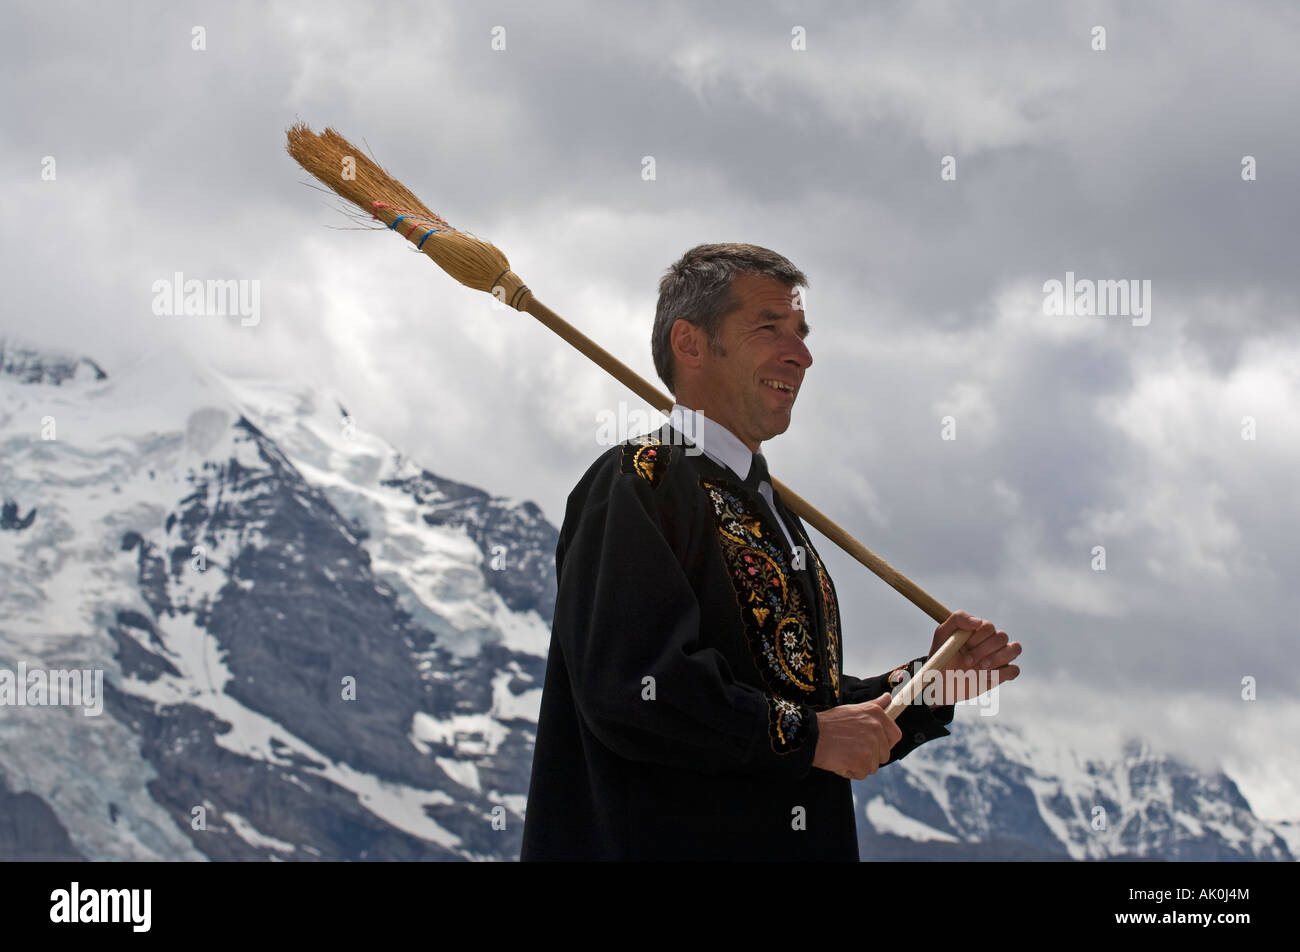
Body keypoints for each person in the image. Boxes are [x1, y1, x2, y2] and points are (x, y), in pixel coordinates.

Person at [520, 244, 1022, 861]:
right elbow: (635, 686)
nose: (802, 355)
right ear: (691, 343)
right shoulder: (638, 480)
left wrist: (930, 683)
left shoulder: (778, 514)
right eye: (769, 328)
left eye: (802, 334)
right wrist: (807, 737)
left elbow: (802, 709)